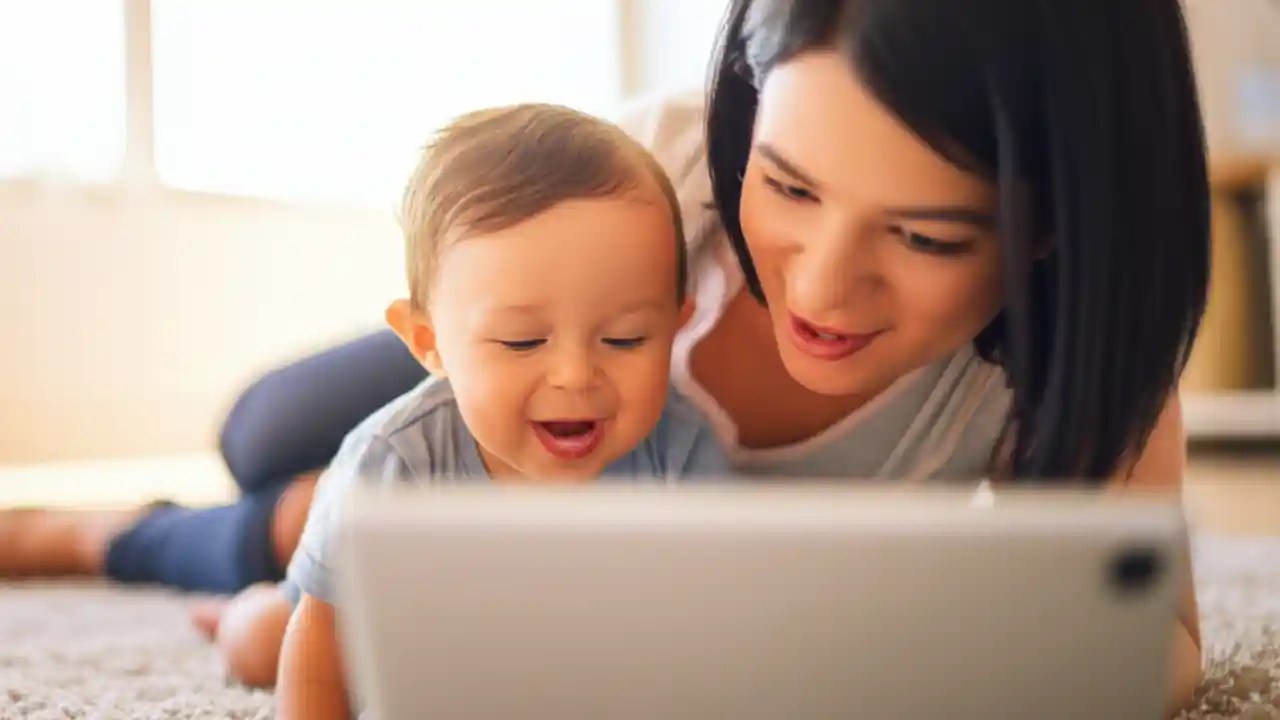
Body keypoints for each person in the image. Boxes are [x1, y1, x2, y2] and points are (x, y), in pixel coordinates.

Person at [1, 0, 1210, 714]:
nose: (818, 286)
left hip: (617, 491)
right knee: (281, 452)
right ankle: (105, 535)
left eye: (925, 235)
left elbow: (1145, 651)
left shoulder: (1084, 339)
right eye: (785, 186)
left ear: (1055, 228)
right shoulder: (663, 175)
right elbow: (483, 317)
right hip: (500, 379)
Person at [271, 102, 727, 717]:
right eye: (521, 341)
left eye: (624, 339)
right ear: (428, 342)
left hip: (548, 651)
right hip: (384, 624)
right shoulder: (397, 461)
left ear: (676, 328)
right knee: (263, 641)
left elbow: (714, 628)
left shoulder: (683, 453)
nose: (574, 376)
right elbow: (325, 631)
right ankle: (236, 610)